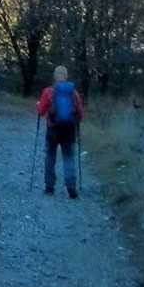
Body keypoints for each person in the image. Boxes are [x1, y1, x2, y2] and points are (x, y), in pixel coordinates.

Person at [35, 65, 83, 198]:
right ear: (66, 76)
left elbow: (41, 111)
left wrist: (38, 105)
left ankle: (49, 186)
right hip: (69, 130)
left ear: (55, 76)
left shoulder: (48, 92)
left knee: (50, 157)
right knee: (68, 158)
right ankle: (71, 186)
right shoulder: (73, 93)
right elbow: (80, 114)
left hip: (53, 129)